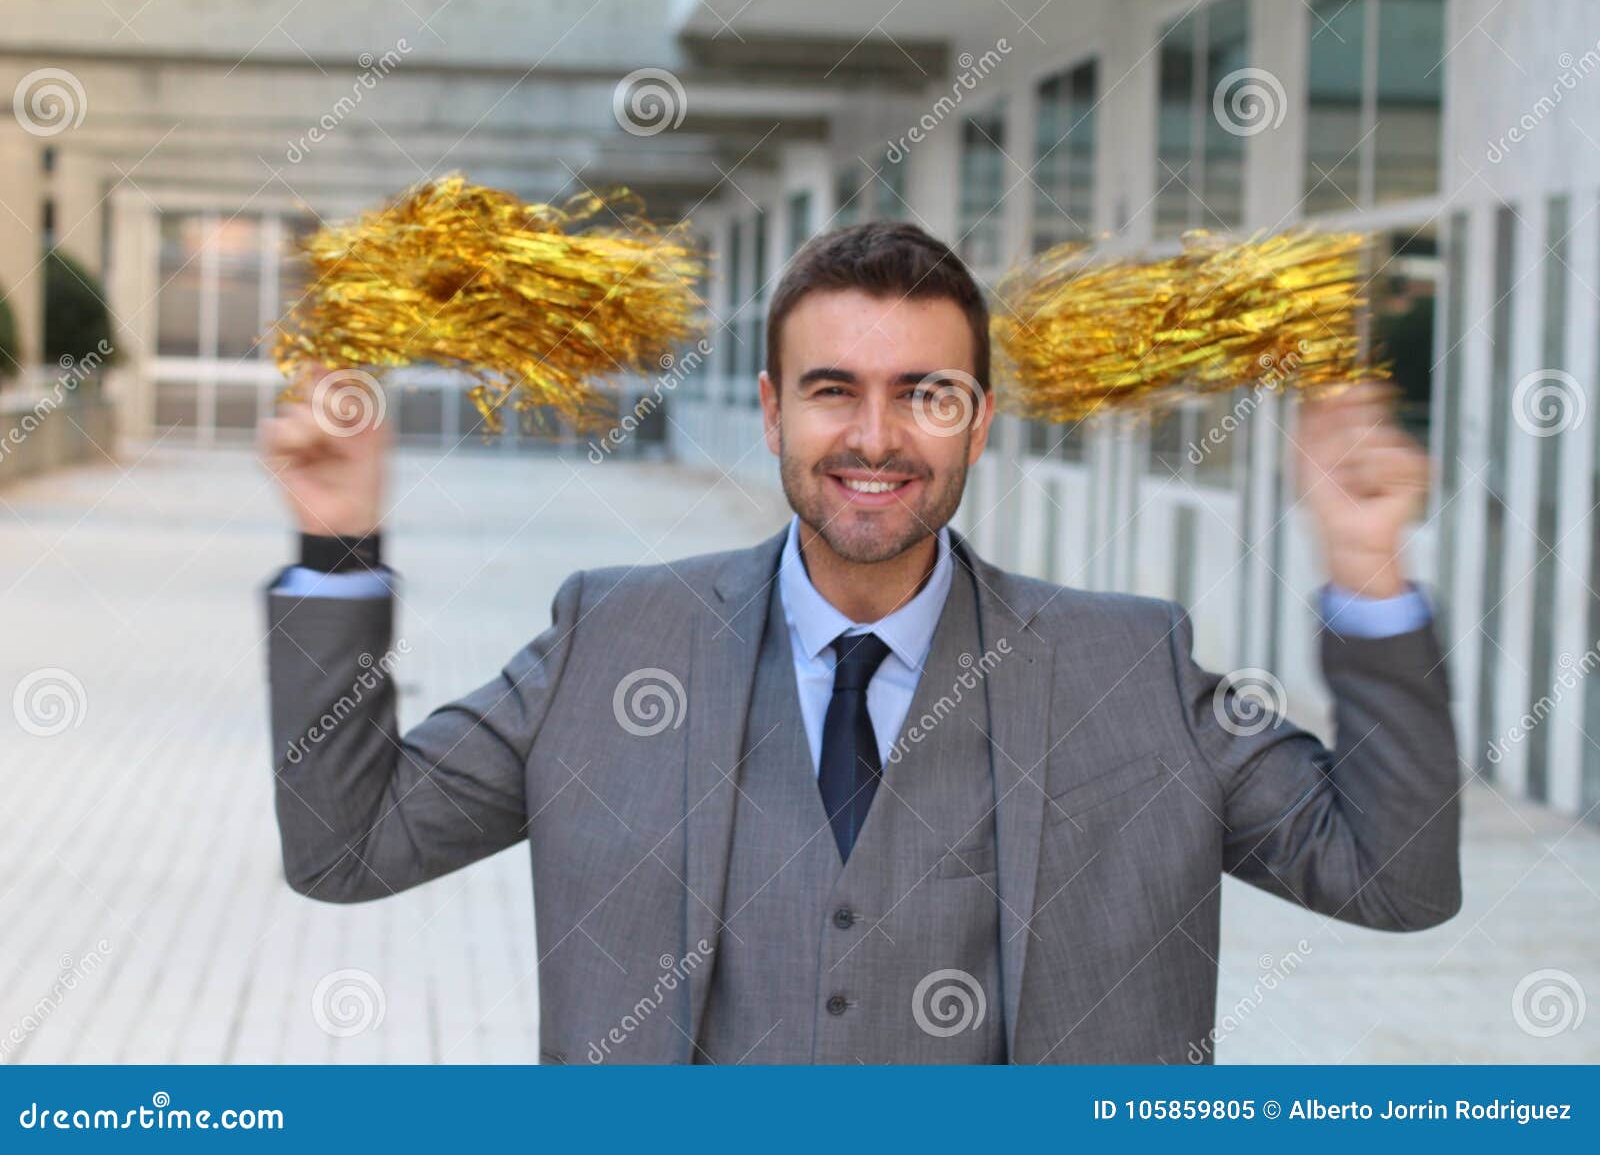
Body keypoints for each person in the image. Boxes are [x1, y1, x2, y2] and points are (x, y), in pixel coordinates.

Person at [258, 222, 1459, 1064]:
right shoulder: (613, 639)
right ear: (773, 411)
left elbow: (1392, 875)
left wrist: (1368, 571)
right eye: (833, 389)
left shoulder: (1124, 665)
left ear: (977, 422)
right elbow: (348, 846)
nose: (875, 438)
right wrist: (336, 543)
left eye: (925, 394)